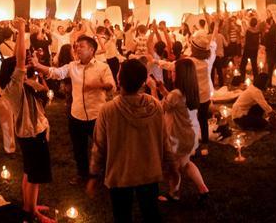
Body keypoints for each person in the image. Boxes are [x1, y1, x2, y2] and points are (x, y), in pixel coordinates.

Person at [88, 58, 163, 223]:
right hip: (149, 170)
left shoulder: (108, 110)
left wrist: (94, 175)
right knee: (151, 212)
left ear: (119, 79)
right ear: (143, 82)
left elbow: (99, 146)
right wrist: (171, 168)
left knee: (122, 215)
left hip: (120, 173)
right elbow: (164, 140)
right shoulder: (156, 106)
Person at [32, 35, 115, 184]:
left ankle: (106, 173)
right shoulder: (72, 66)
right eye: (76, 46)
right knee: (79, 148)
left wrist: (96, 85)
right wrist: (37, 65)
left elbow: (111, 86)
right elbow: (55, 72)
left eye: (81, 46)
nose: (77, 48)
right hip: (76, 115)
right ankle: (82, 174)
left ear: (92, 49)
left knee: (103, 147)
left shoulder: (103, 67)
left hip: (97, 115)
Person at [2, 17, 54, 223]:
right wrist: (22, 29)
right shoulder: (12, 88)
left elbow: (21, 61)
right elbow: (20, 60)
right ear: (13, 73)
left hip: (31, 133)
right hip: (31, 135)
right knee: (35, 176)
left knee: (28, 172)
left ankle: (28, 206)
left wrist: (37, 79)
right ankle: (34, 214)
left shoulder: (23, 84)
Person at [149, 58, 208, 203]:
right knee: (186, 163)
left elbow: (159, 108)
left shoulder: (176, 94)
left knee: (172, 169)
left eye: (174, 71)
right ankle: (203, 188)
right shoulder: (190, 90)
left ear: (181, 74)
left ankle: (173, 194)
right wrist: (163, 90)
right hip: (190, 135)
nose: (171, 74)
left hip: (176, 137)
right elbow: (175, 102)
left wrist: (152, 90)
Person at [188, 20, 221, 156]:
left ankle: (194, 145)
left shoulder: (190, 62)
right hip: (206, 93)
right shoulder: (209, 59)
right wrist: (216, 26)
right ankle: (205, 145)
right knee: (203, 119)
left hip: (195, 95)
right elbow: (212, 42)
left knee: (193, 119)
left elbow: (173, 65)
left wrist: (156, 62)